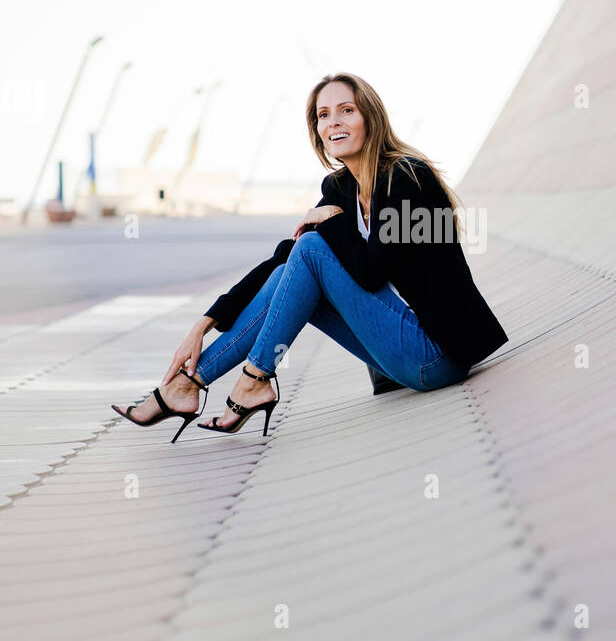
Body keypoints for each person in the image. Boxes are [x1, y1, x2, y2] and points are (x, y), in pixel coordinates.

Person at [111, 72, 508, 440]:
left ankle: (246, 381)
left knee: (313, 250)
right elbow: (282, 263)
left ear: (370, 118)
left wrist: (329, 222)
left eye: (346, 110)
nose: (333, 122)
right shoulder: (342, 188)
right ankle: (189, 386)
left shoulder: (407, 177)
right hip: (394, 357)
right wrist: (204, 322)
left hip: (437, 356)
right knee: (298, 265)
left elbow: (371, 272)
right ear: (317, 131)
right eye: (323, 115)